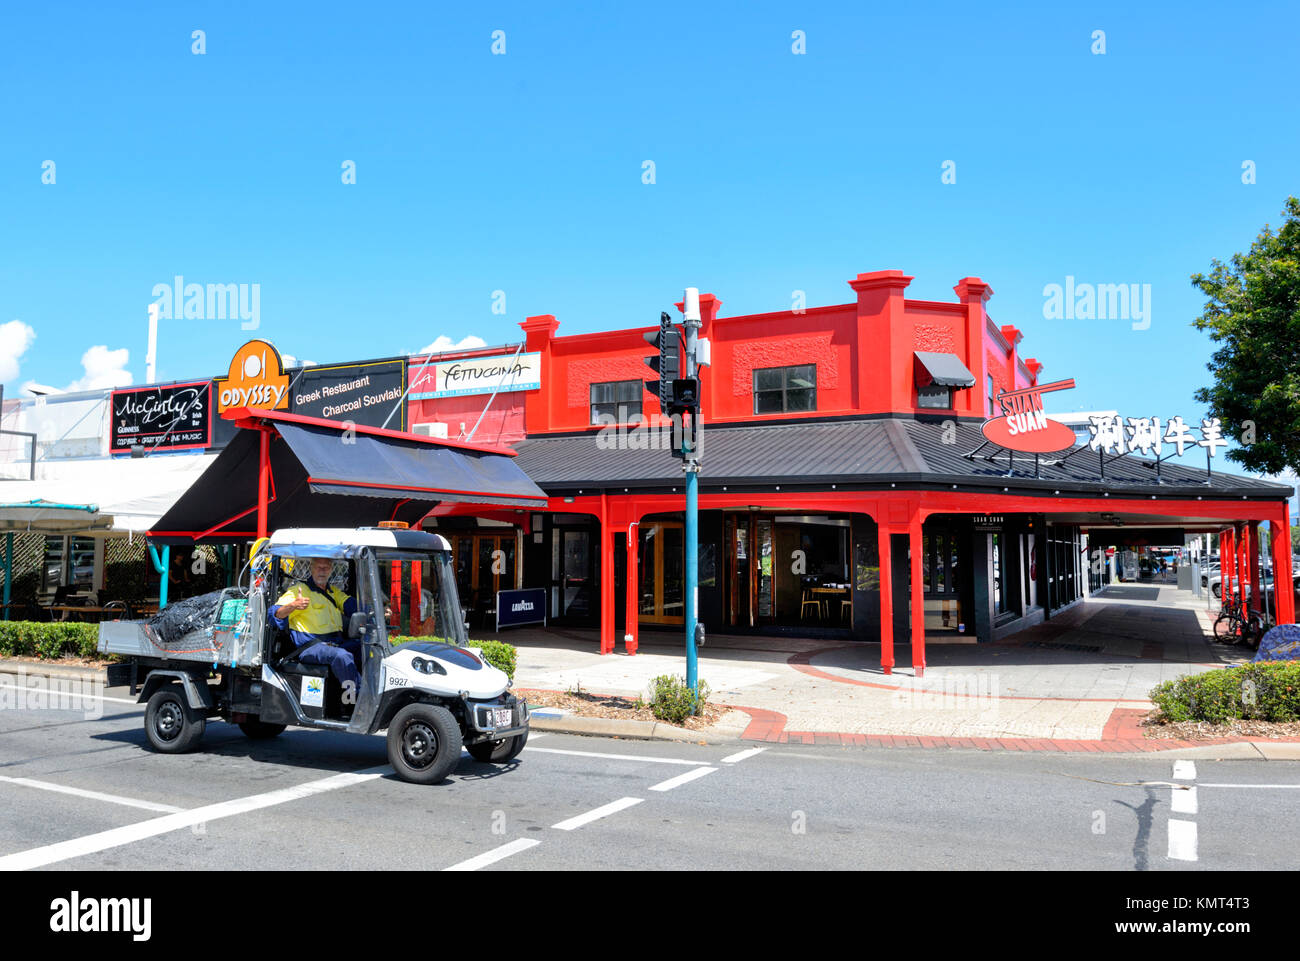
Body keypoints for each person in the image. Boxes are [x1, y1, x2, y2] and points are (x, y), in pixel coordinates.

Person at [270, 557, 361, 695]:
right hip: (311, 647)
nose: (322, 571)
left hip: (334, 643)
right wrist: (293, 605)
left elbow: (351, 605)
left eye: (326, 567)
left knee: (366, 648)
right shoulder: (299, 591)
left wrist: (376, 611)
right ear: (311, 569)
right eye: (318, 567)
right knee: (342, 656)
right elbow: (275, 614)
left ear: (331, 570)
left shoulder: (332, 592)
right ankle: (355, 698)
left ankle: (371, 692)